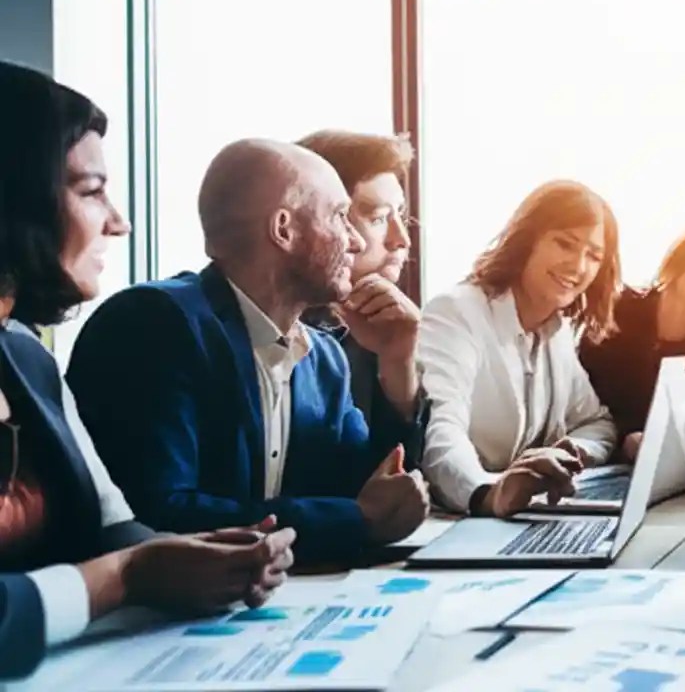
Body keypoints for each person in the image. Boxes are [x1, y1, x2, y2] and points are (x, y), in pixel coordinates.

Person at [0, 61, 293, 680]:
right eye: (90, 191)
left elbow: (116, 528)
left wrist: (203, 556)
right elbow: (120, 566)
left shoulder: (26, 356)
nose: (119, 222)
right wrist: (127, 577)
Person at [66, 138, 430, 564]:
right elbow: (157, 514)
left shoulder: (324, 360)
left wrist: (398, 362)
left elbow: (373, 496)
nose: (355, 242)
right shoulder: (152, 323)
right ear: (284, 230)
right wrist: (355, 518)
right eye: (338, 216)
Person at [420, 180, 619, 516]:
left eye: (593, 256)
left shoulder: (556, 332)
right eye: (565, 244)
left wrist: (568, 453)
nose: (578, 266)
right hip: (459, 513)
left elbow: (598, 424)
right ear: (527, 240)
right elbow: (440, 431)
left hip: (516, 516)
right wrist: (487, 493)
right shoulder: (456, 311)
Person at [296, 130, 429, 464]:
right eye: (379, 218)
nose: (402, 239)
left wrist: (399, 366)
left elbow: (402, 476)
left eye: (402, 216)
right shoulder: (283, 329)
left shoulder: (385, 324)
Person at [579, 222, 685, 462]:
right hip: (596, 459)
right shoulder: (615, 311)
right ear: (678, 261)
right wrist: (624, 443)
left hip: (680, 470)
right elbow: (579, 404)